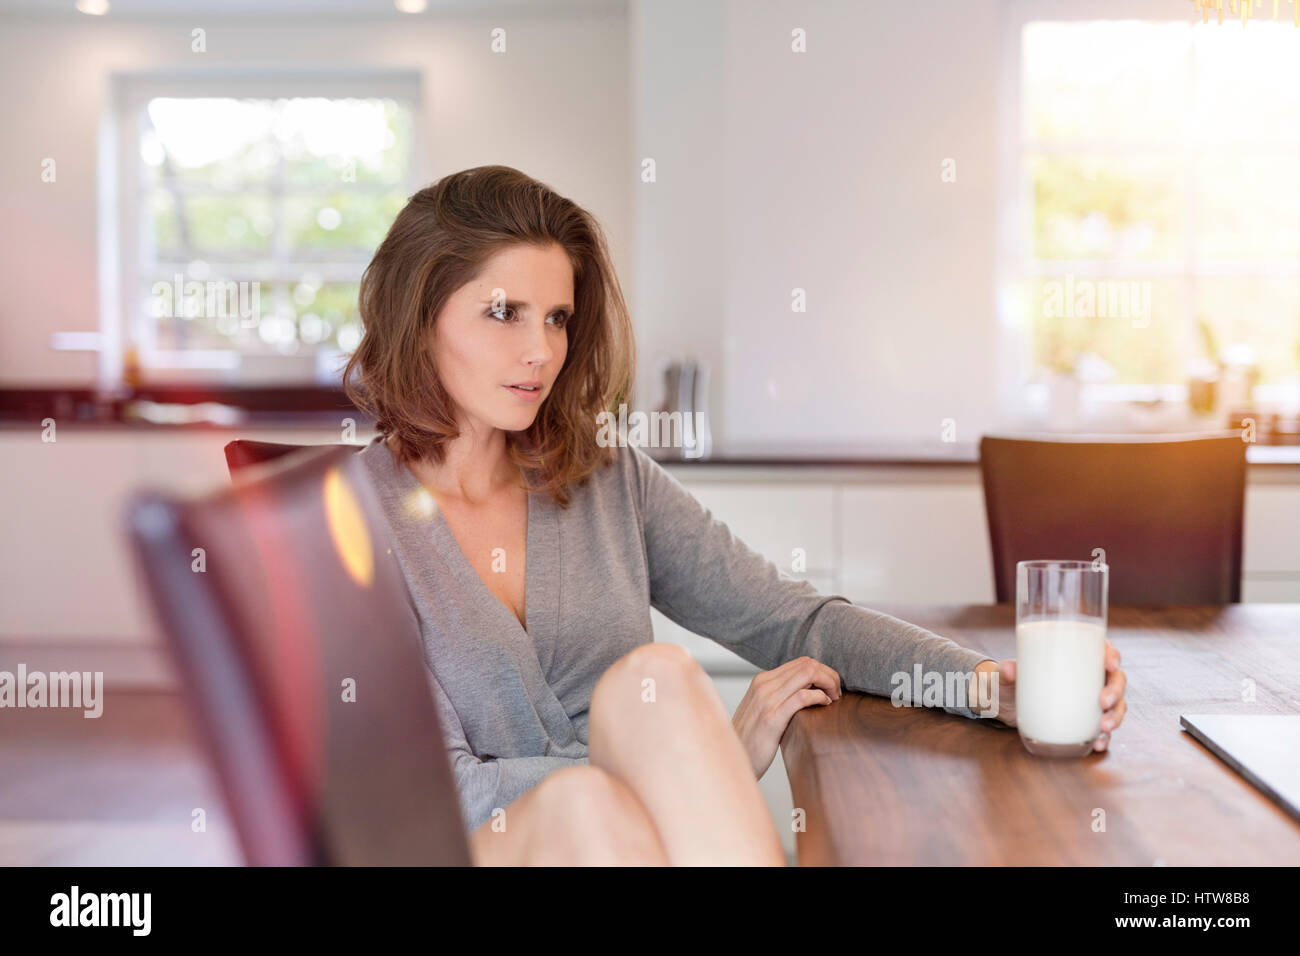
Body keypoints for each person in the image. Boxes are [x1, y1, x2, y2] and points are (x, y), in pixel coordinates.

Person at [342, 165, 1128, 866]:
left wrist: (985, 686)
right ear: (420, 314)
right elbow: (437, 792)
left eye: (557, 317)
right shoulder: (348, 523)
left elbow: (797, 623)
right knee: (582, 805)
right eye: (505, 312)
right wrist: (713, 756)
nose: (543, 350)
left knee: (655, 676)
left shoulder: (605, 478)